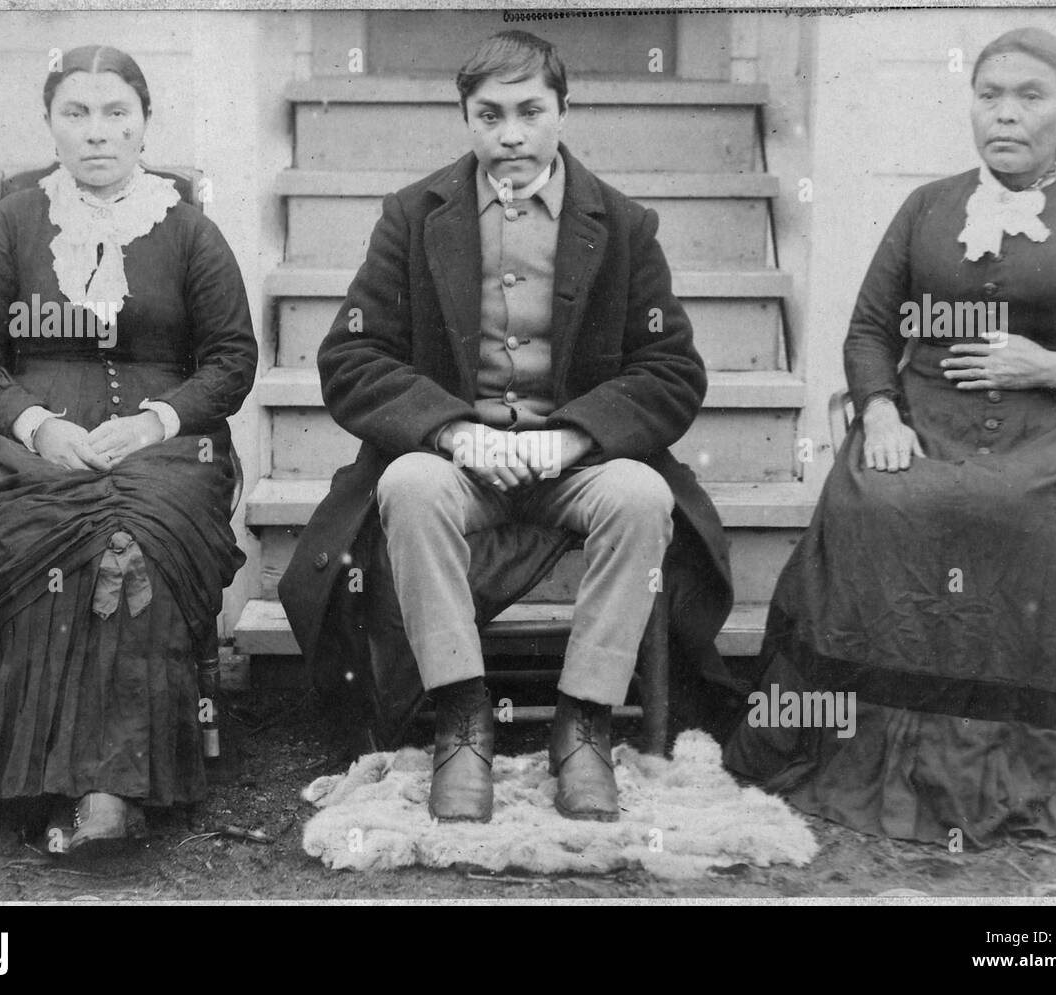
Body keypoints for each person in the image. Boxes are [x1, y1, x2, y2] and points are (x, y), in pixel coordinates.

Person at [279, 31, 731, 823]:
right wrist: (453, 432)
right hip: (461, 461)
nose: (511, 134)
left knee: (639, 496)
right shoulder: (414, 217)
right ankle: (461, 717)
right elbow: (351, 355)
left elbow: (671, 368)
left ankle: (583, 723)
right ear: (465, 117)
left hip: (576, 463)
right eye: (489, 115)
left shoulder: (622, 225)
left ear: (564, 110)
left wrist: (576, 437)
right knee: (409, 483)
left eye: (530, 111)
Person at [723, 28, 1056, 846]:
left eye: (1031, 97)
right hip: (927, 424)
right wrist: (879, 409)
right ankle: (852, 748)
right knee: (879, 506)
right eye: (990, 95)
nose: (1007, 115)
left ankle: (1023, 766)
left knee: (1020, 519)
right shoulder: (928, 207)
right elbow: (870, 332)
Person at [0, 45, 258, 855]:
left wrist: (156, 421)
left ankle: (110, 788)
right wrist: (37, 424)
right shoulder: (12, 224)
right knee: (20, 537)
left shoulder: (190, 231)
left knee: (132, 545)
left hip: (165, 440)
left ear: (144, 123)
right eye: (75, 114)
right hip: (27, 437)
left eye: (116, 113)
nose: (97, 134)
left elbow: (231, 359)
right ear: (50, 125)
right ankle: (33, 777)